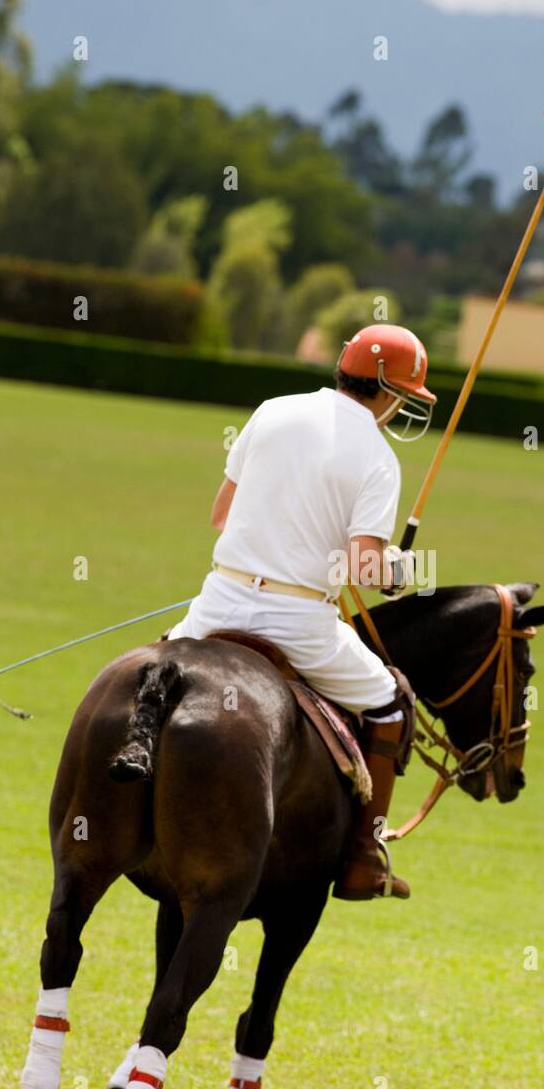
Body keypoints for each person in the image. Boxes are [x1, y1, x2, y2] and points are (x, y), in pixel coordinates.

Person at [168, 324, 437, 901]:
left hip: (220, 601)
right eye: (405, 395)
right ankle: (365, 856)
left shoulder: (272, 410)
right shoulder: (379, 457)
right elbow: (364, 569)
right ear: (387, 390)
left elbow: (221, 515)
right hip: (299, 624)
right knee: (391, 702)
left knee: (157, 670)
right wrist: (400, 569)